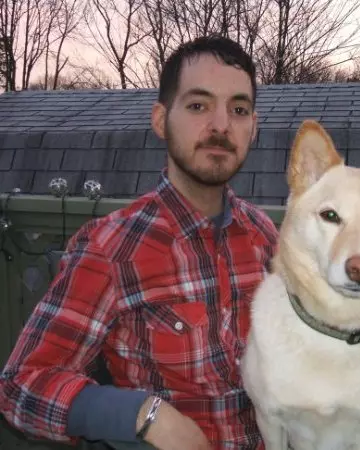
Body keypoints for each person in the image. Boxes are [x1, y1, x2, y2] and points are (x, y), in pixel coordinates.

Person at [0, 35, 278, 450]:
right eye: (198, 105)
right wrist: (143, 416)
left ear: (253, 127)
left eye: (238, 109)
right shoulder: (112, 248)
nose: (221, 125)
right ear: (160, 120)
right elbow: (21, 386)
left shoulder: (264, 237)